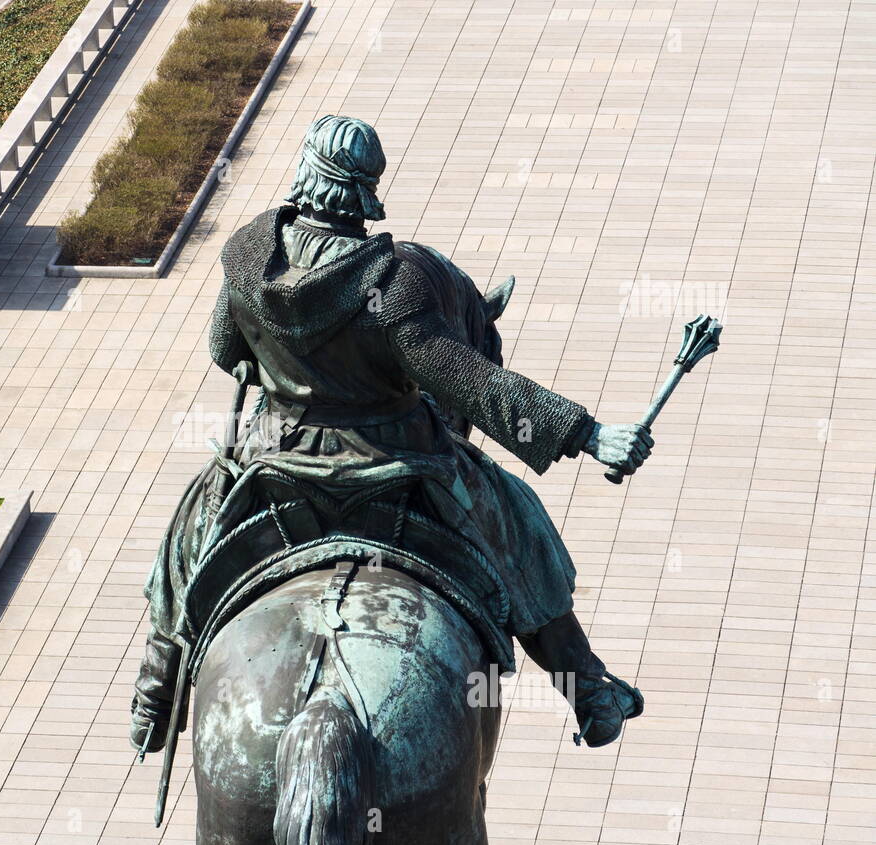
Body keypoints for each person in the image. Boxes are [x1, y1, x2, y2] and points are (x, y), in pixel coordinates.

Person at [132, 115, 647, 754]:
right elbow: (471, 384)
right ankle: (588, 688)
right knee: (515, 523)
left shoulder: (246, 255)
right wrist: (590, 434)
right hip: (398, 464)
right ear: (364, 192)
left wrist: (279, 362)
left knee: (192, 524)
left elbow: (223, 349)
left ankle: (158, 681)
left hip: (279, 458)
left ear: (306, 174)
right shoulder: (390, 281)